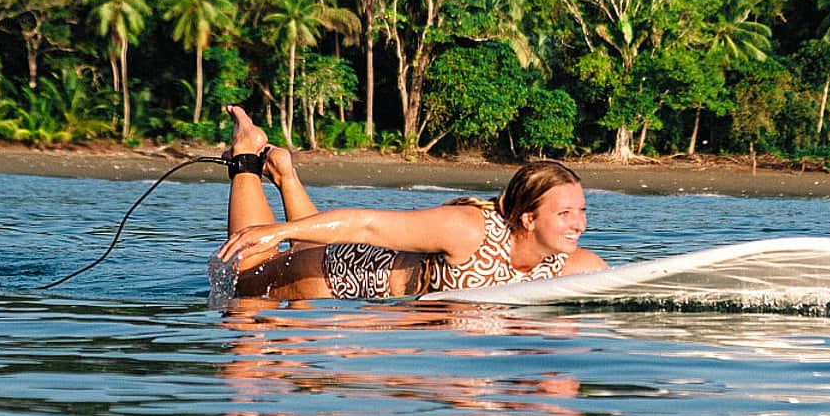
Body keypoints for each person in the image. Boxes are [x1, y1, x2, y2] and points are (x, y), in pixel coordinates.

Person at [216, 105, 608, 301]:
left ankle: (285, 174)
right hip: (335, 281)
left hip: (357, 296)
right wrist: (279, 231)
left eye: (582, 212)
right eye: (565, 214)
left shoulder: (573, 263)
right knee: (241, 286)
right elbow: (366, 225)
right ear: (527, 219)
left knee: (303, 246)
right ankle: (247, 154)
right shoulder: (470, 229)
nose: (578, 224)